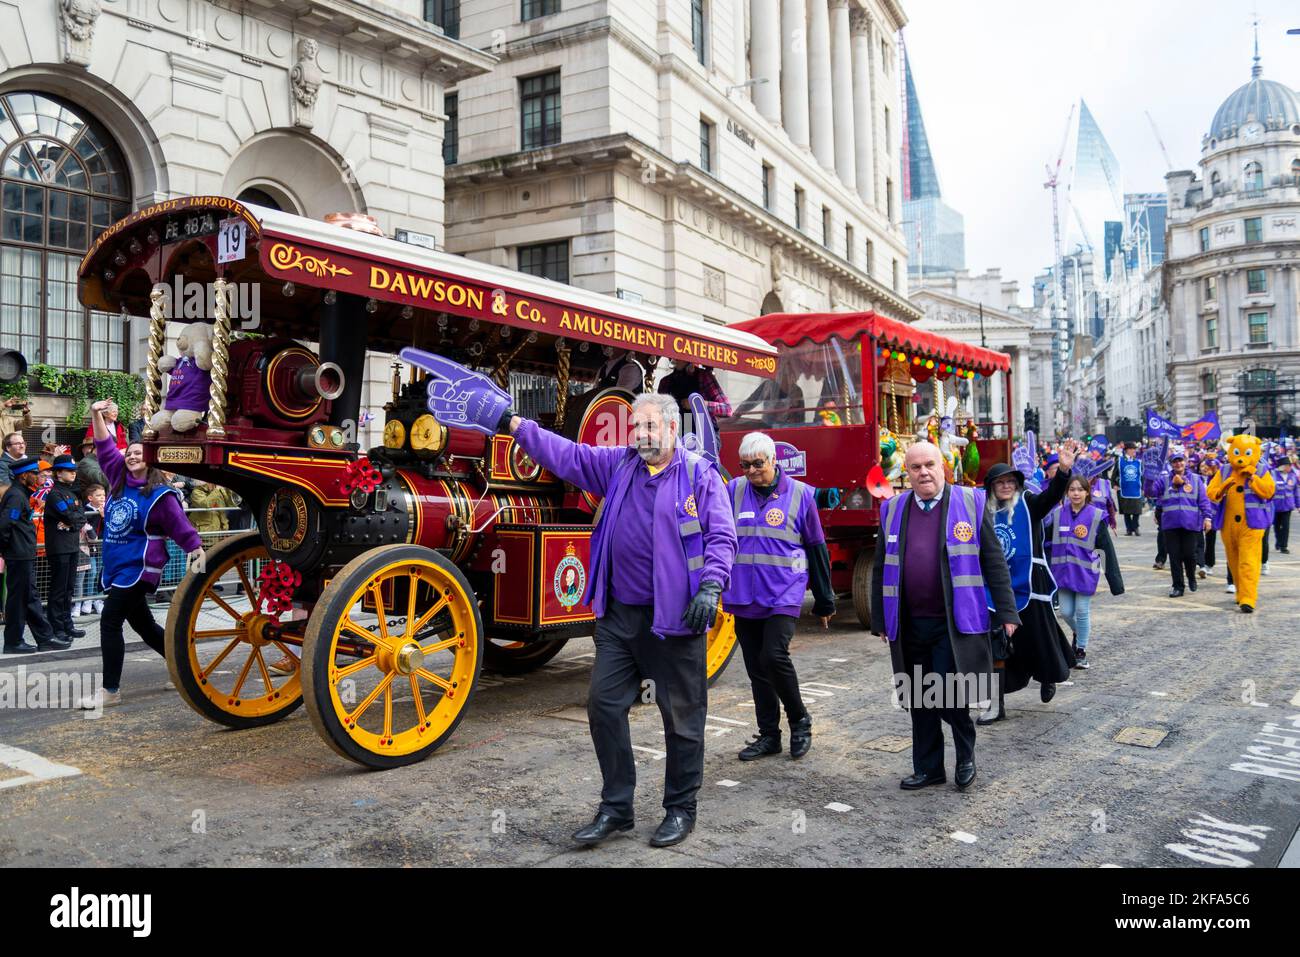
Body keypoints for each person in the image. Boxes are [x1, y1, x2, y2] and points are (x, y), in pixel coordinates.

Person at [506, 392, 737, 848]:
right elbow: (568, 455)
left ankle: (680, 808)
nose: (640, 435)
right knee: (604, 706)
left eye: (649, 427)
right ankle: (617, 808)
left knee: (682, 718)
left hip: (674, 618)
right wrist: (516, 425)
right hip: (618, 616)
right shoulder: (619, 465)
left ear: (672, 429)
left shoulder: (698, 475)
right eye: (635, 427)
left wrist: (712, 586)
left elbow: (723, 537)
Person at [870, 441, 1020, 792]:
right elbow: (881, 566)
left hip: (955, 623)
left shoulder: (970, 502)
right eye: (916, 467)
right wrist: (880, 618)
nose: (923, 472)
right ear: (906, 473)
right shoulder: (892, 508)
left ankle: (965, 756)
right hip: (908, 623)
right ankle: (929, 768)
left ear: (943, 467)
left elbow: (994, 562)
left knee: (951, 695)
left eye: (930, 465)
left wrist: (1008, 611)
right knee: (919, 697)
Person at [78, 399, 203, 709]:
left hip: (139, 569)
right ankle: (186, 670)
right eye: (129, 452)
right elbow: (105, 446)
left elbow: (179, 525)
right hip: (117, 568)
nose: (133, 455)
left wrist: (195, 548)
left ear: (150, 459)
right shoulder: (118, 482)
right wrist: (96, 414)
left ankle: (110, 690)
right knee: (144, 625)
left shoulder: (160, 494)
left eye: (139, 453)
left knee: (109, 622)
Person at [724, 432, 836, 762]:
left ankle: (800, 721)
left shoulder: (800, 495)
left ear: (774, 460)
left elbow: (816, 549)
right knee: (756, 667)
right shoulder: (733, 491)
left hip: (784, 593)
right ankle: (769, 735)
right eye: (745, 465)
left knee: (774, 656)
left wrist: (825, 599)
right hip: (743, 594)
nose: (752, 471)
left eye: (758, 464)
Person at [978, 447, 1077, 725]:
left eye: (1011, 482)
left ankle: (1048, 675)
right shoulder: (981, 512)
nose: (1006, 486)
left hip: (1029, 586)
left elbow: (1051, 498)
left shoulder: (1028, 504)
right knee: (995, 646)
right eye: (1000, 482)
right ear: (991, 487)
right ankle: (995, 704)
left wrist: (1064, 473)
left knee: (1039, 639)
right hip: (994, 591)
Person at [1050, 475, 1125, 668]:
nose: (1076, 493)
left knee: (1082, 611)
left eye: (1080, 490)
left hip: (1085, 574)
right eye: (1072, 489)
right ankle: (1078, 632)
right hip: (1063, 573)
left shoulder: (1096, 516)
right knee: (1066, 612)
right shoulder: (1058, 515)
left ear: (1087, 492)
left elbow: (1105, 549)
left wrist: (1113, 581)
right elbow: (1047, 543)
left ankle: (1081, 650)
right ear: (1067, 492)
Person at [0, 457, 64, 652]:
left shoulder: (20, 494)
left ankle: (43, 638)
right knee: (20, 600)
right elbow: (5, 525)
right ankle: (14, 641)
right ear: (24, 476)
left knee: (28, 598)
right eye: (35, 474)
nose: (38, 477)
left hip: (23, 553)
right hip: (18, 555)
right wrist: (6, 549)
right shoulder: (16, 497)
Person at [1144, 449, 1213, 597]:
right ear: (1171, 464)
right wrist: (1149, 477)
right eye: (1175, 461)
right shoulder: (1164, 480)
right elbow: (1150, 492)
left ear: (1185, 462)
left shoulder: (1195, 479)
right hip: (1170, 525)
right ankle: (1178, 586)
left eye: (1180, 460)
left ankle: (1191, 577)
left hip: (1191, 524)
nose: (1178, 463)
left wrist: (1207, 518)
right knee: (1174, 557)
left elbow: (1204, 501)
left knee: (1189, 555)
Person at [43, 453, 87, 643]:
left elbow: (80, 517)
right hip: (59, 547)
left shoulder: (72, 492)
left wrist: (72, 522)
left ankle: (67, 624)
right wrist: (72, 520)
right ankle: (57, 627)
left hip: (71, 545)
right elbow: (69, 516)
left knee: (68, 588)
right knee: (59, 589)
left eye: (74, 471)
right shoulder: (54, 494)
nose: (73, 474)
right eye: (69, 471)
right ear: (58, 473)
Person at [657, 360, 732, 426]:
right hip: (679, 431)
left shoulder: (704, 376)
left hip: (702, 432)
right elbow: (659, 412)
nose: (676, 359)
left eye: (680, 357)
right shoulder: (665, 382)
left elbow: (727, 409)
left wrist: (697, 404)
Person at [74, 483, 106, 617]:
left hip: (102, 546)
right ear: (90, 498)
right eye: (98, 495)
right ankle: (86, 600)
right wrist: (98, 514)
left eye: (104, 495)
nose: (102, 498)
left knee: (99, 574)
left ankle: (97, 599)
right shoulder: (86, 509)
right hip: (89, 547)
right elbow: (89, 527)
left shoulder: (106, 508)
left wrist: (104, 516)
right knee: (91, 573)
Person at [1117, 442, 1144, 535]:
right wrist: (1115, 485)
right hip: (1124, 489)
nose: (1133, 451)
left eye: (1134, 449)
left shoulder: (1138, 462)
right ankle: (1129, 529)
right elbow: (1114, 475)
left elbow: (1142, 476)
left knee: (1137, 510)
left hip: (1136, 489)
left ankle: (1135, 527)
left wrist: (1144, 487)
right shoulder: (1120, 461)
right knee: (1126, 511)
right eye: (1131, 449)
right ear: (1126, 450)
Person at [1274, 457, 1296, 554]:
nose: (1289, 467)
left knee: (1286, 527)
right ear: (1281, 467)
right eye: (1287, 465)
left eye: (1289, 465)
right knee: (1277, 526)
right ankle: (1278, 541)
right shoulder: (1274, 475)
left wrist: (1298, 505)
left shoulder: (1292, 476)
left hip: (1288, 506)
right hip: (1276, 506)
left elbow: (1296, 492)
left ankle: (1284, 546)